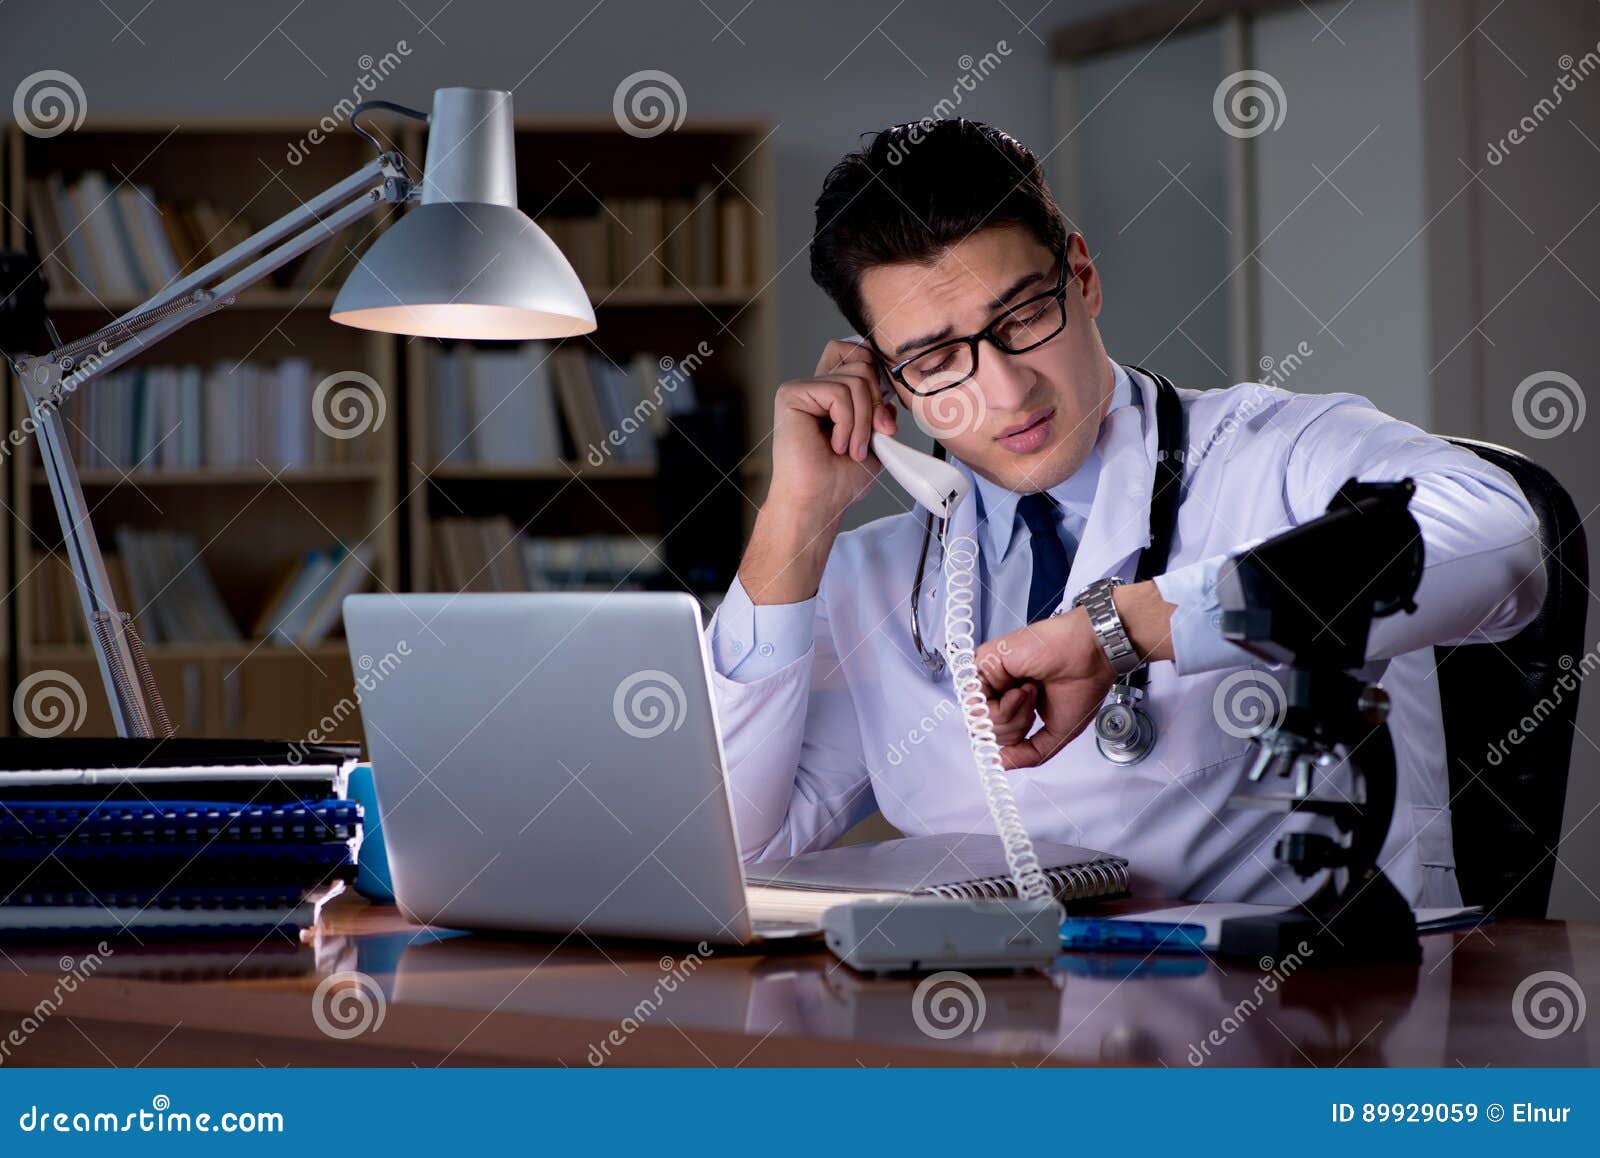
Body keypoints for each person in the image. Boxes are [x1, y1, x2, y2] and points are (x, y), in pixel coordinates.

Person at [706, 119, 1545, 905]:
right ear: (890, 385)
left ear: (1082, 276)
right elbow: (729, 848)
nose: (1005, 389)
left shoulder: (1269, 452)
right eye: (934, 359)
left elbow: (1500, 538)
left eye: (1024, 316)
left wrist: (1125, 628)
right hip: (995, 1033)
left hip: (1299, 1025)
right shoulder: (878, 580)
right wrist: (796, 520)